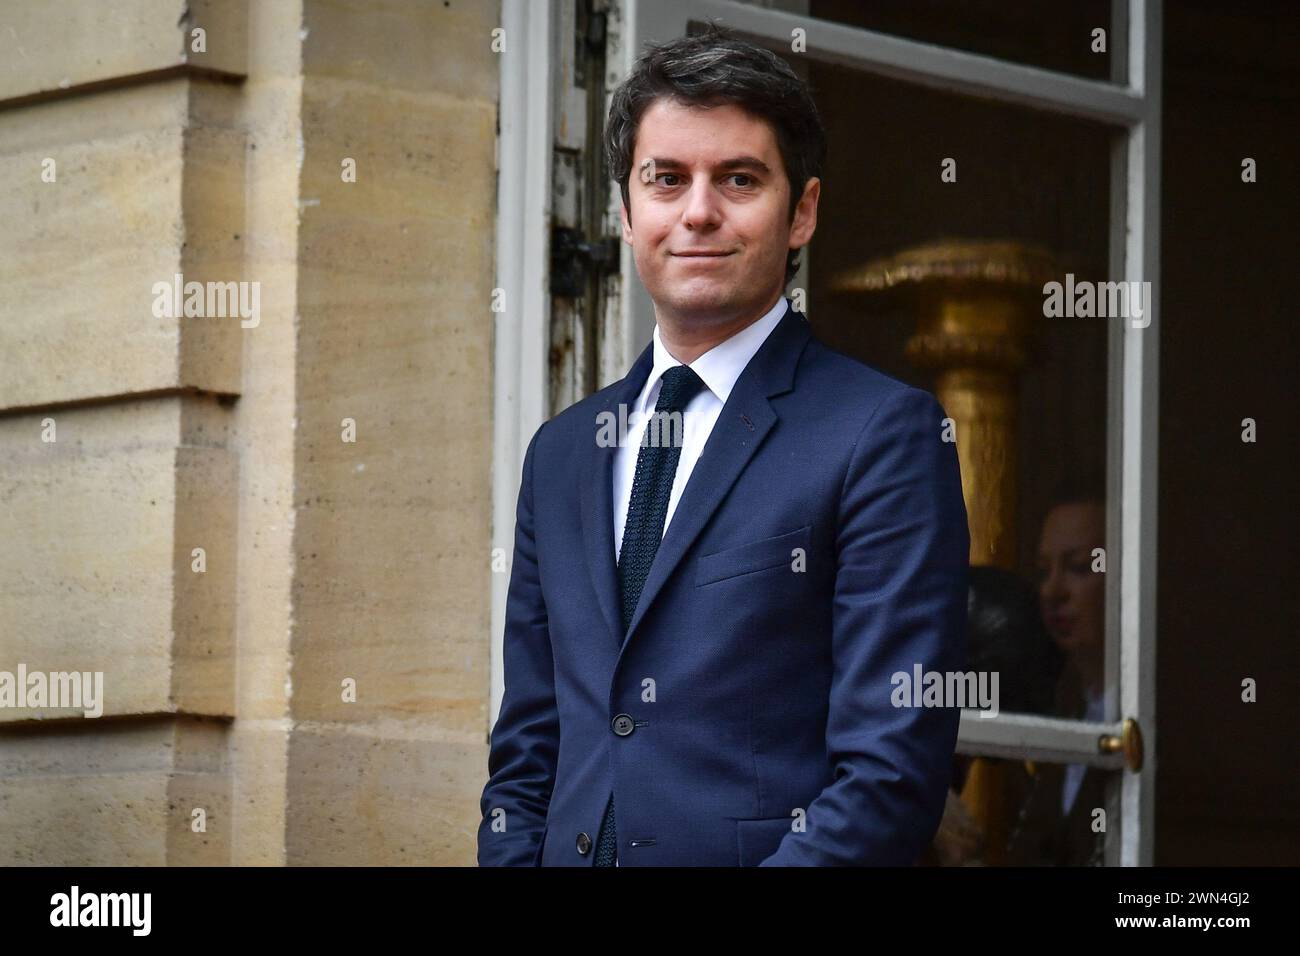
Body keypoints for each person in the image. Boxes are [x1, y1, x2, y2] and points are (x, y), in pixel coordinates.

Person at [477, 23, 969, 867]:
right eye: (666, 180)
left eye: (739, 179)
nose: (698, 211)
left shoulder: (881, 435)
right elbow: (528, 752)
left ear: (802, 210)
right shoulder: (560, 456)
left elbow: (891, 772)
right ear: (627, 215)